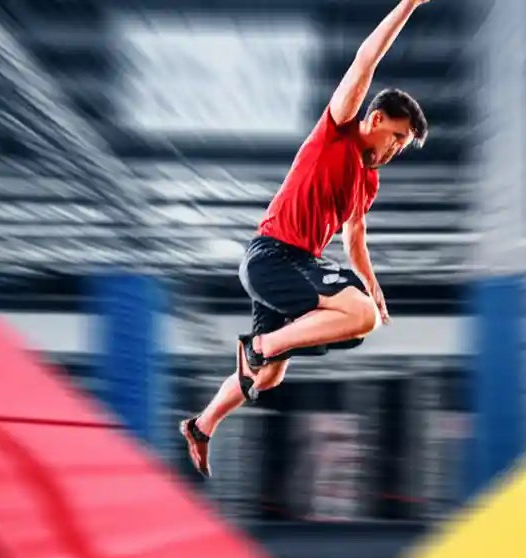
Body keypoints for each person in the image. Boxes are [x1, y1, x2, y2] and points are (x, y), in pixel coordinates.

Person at [180, 0, 432, 477]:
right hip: (273, 258)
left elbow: (355, 239)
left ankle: (202, 424)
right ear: (375, 120)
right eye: (395, 139)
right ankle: (261, 346)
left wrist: (374, 287)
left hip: (287, 266)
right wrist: (407, 6)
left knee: (270, 376)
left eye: (402, 147)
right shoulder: (336, 132)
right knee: (355, 318)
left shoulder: (368, 180)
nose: (395, 151)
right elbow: (366, 60)